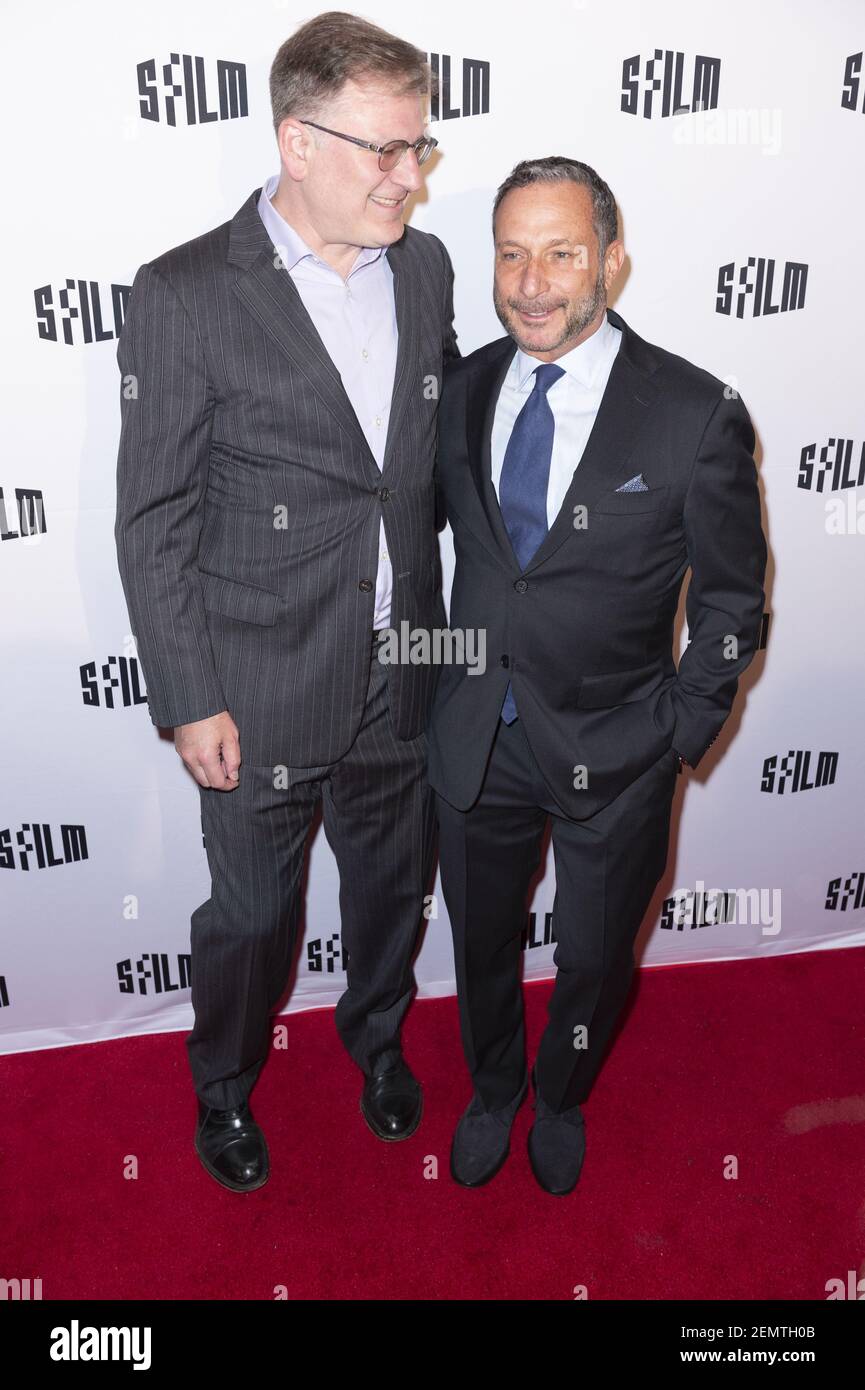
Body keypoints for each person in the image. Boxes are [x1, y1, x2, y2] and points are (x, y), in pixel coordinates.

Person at [114, 11, 458, 1192]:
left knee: (386, 894)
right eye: (384, 149)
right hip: (255, 688)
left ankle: (377, 1043)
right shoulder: (185, 293)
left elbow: (414, 464)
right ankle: (222, 1087)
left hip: (399, 665)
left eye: (420, 147)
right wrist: (189, 696)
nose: (409, 176)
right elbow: (152, 514)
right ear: (295, 141)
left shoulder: (425, 265)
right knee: (251, 921)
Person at [428, 156, 767, 1195]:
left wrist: (677, 732)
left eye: (561, 253)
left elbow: (730, 600)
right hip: (476, 736)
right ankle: (492, 1088)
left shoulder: (691, 412)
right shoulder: (467, 385)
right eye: (512, 254)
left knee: (594, 960)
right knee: (481, 941)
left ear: (610, 261)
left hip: (617, 753)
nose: (531, 282)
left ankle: (560, 1093)